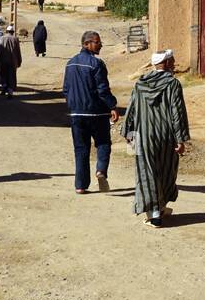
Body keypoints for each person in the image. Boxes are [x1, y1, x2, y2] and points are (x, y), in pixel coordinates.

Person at [124, 49, 190, 227]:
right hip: (166, 137)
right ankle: (158, 211)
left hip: (143, 136)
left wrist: (129, 135)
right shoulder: (173, 84)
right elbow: (177, 112)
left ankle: (155, 212)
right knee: (166, 171)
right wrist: (180, 139)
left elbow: (131, 111)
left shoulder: (139, 84)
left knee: (147, 173)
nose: (175, 63)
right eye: (172, 61)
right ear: (166, 63)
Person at [63, 30, 119, 193]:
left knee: (81, 149)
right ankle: (101, 170)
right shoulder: (97, 64)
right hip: (97, 114)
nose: (100, 44)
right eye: (97, 42)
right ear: (86, 44)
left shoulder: (70, 63)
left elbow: (66, 89)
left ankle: (80, 186)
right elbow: (102, 89)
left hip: (76, 114)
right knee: (103, 143)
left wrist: (73, 105)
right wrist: (112, 106)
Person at [0, 24, 22, 96]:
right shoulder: (15, 39)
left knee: (3, 75)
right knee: (11, 76)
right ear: (12, 32)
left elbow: (0, 51)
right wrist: (19, 61)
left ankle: (4, 87)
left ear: (7, 31)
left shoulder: (2, 38)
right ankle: (10, 92)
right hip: (13, 61)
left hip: (3, 61)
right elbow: (18, 51)